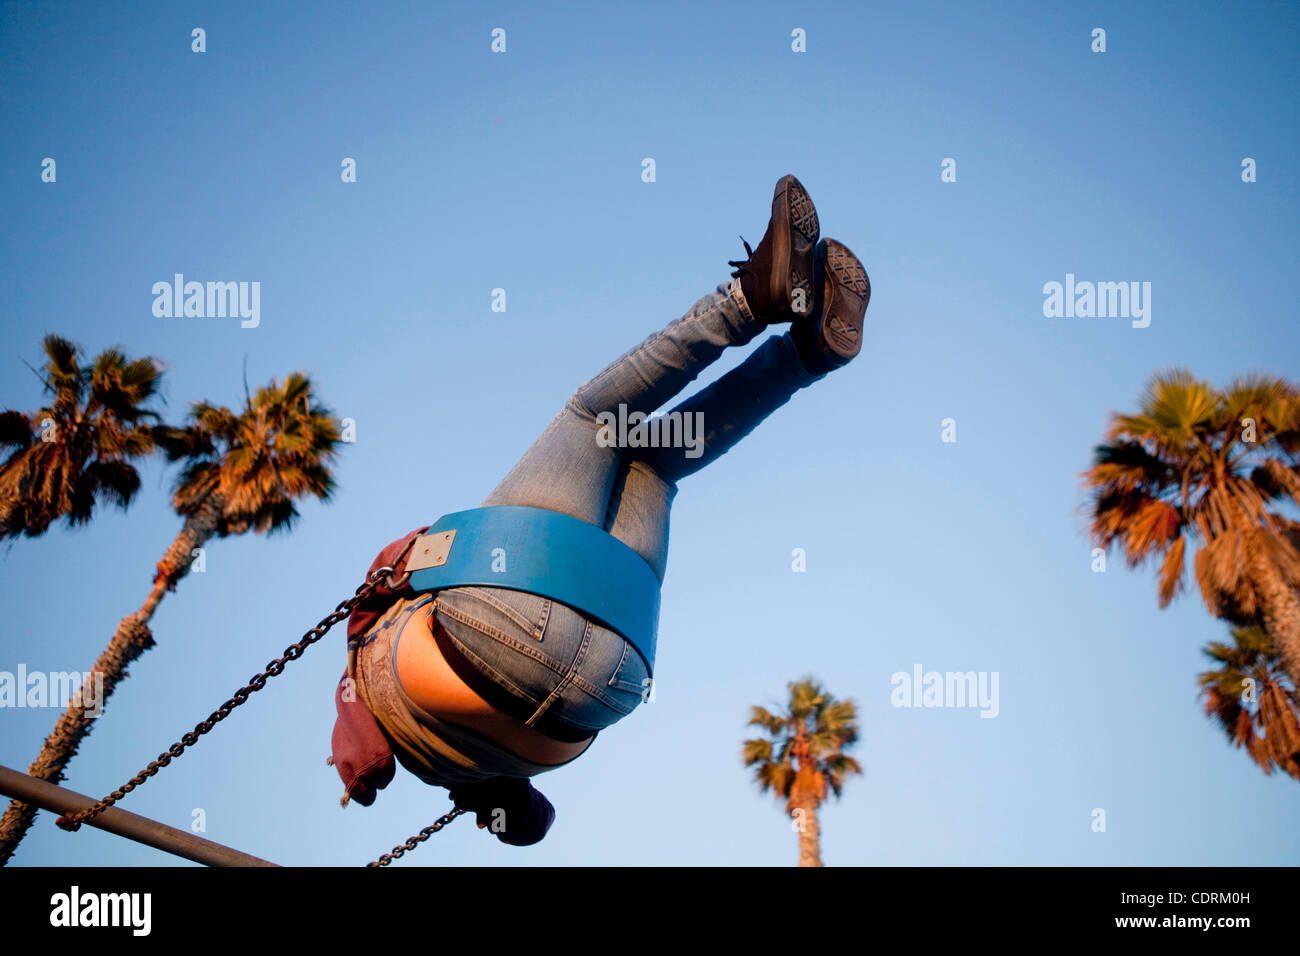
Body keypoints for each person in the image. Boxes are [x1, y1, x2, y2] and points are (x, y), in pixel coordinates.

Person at [338, 174, 870, 846]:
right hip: (486, 624)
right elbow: (375, 620)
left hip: (611, 683)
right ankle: (750, 299)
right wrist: (414, 555)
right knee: (599, 419)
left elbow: (527, 825)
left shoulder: (483, 777)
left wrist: (367, 780)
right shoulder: (370, 682)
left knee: (654, 462)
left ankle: (803, 355)